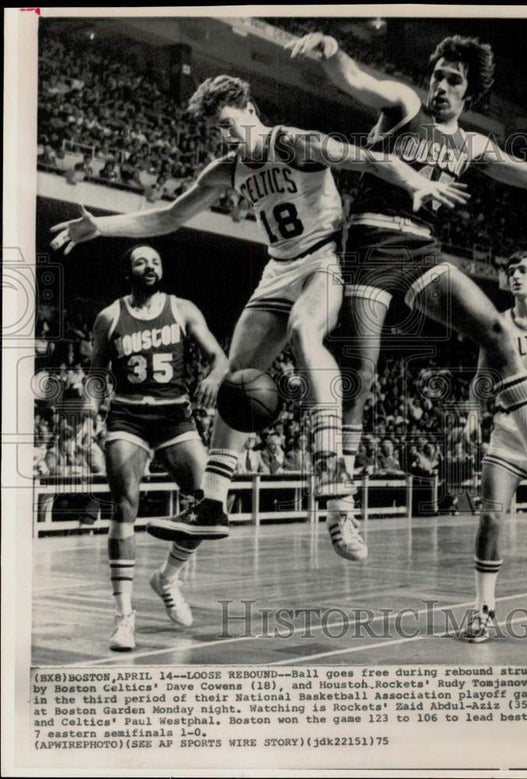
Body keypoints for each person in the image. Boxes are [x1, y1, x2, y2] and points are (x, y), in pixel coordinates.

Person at [51, 74, 468, 562]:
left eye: (227, 123)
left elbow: (370, 157)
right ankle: (212, 504)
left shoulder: (293, 143)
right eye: (216, 130)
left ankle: (334, 474)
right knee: (236, 384)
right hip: (278, 268)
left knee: (304, 331)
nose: (224, 136)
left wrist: (418, 180)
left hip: (323, 261)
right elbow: (168, 217)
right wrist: (101, 226)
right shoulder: (227, 168)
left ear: (248, 107)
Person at [289, 32, 527, 533]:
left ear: (469, 93)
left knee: (497, 331)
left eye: (453, 79)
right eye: (437, 74)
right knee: (362, 375)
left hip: (422, 251)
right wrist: (331, 50)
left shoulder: (473, 143)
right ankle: (339, 512)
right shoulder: (405, 104)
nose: (440, 84)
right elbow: (354, 79)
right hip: (372, 244)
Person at [87, 244, 228, 651]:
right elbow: (97, 374)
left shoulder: (182, 309)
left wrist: (215, 377)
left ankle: (166, 578)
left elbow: (219, 358)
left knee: (207, 504)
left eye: (156, 261)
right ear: (127, 271)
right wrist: (90, 404)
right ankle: (123, 617)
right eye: (141, 261)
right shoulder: (109, 317)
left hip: (175, 417)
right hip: (128, 417)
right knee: (124, 505)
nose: (150, 266)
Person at [459, 251, 527, 642]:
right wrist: (472, 413)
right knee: (490, 517)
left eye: (522, 270)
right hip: (508, 429)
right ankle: (482, 610)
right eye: (510, 270)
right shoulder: (498, 324)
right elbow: (481, 376)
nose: (514, 275)